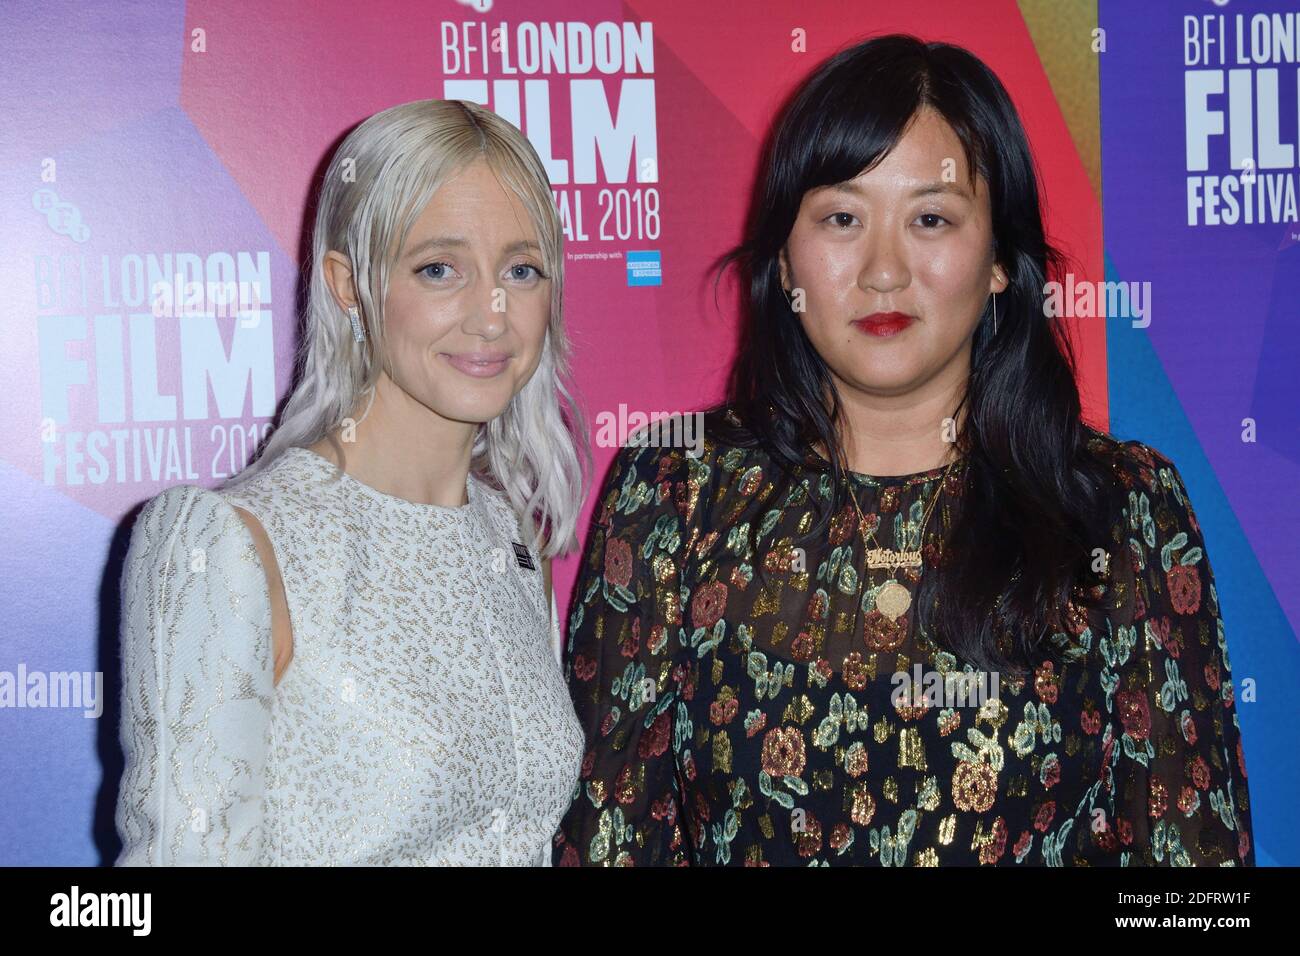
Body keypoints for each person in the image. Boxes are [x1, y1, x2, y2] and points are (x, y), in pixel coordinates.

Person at [551, 34, 1253, 866]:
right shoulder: (675, 496)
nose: (884, 271)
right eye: (843, 218)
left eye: (931, 219)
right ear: (784, 257)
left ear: (999, 260)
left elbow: (1194, 871)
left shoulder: (1120, 508)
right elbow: (609, 843)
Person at [115, 99, 589, 865]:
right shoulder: (232, 544)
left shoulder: (510, 543)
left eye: (521, 270)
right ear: (348, 284)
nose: (492, 315)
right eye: (439, 269)